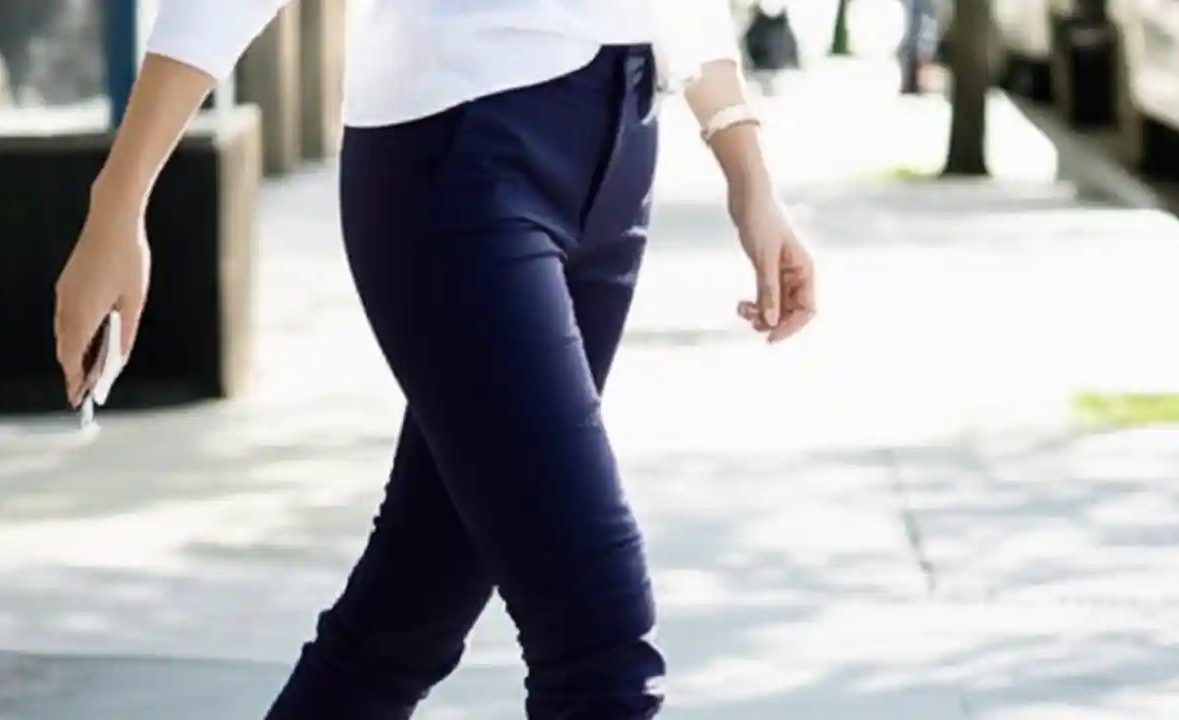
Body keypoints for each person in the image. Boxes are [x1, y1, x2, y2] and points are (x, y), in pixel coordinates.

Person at [53, 1, 817, 717]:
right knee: (600, 639)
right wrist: (118, 201)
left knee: (414, 603)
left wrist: (748, 172)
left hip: (618, 149)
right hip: (462, 153)